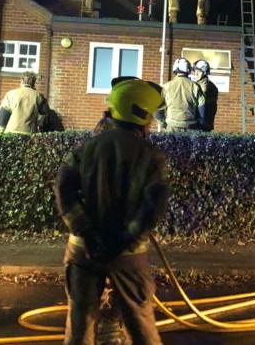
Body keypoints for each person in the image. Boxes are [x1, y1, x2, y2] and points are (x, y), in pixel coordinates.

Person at [54, 79, 169, 345]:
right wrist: (122, 240)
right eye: (150, 116)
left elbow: (64, 190)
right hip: (128, 256)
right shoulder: (149, 156)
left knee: (80, 326)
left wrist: (88, 233)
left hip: (83, 250)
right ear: (141, 115)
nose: (151, 122)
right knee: (140, 326)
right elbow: (153, 207)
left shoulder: (86, 149)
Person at [156, 58, 205, 131]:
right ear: (188, 70)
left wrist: (163, 124)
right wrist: (200, 124)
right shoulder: (195, 87)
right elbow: (202, 108)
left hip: (171, 126)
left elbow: (158, 109)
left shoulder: (166, 87)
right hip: (190, 126)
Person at [192, 59, 219, 131]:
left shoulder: (203, 86)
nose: (196, 74)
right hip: (207, 124)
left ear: (205, 72)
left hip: (200, 125)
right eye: (195, 71)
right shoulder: (211, 85)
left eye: (199, 71)